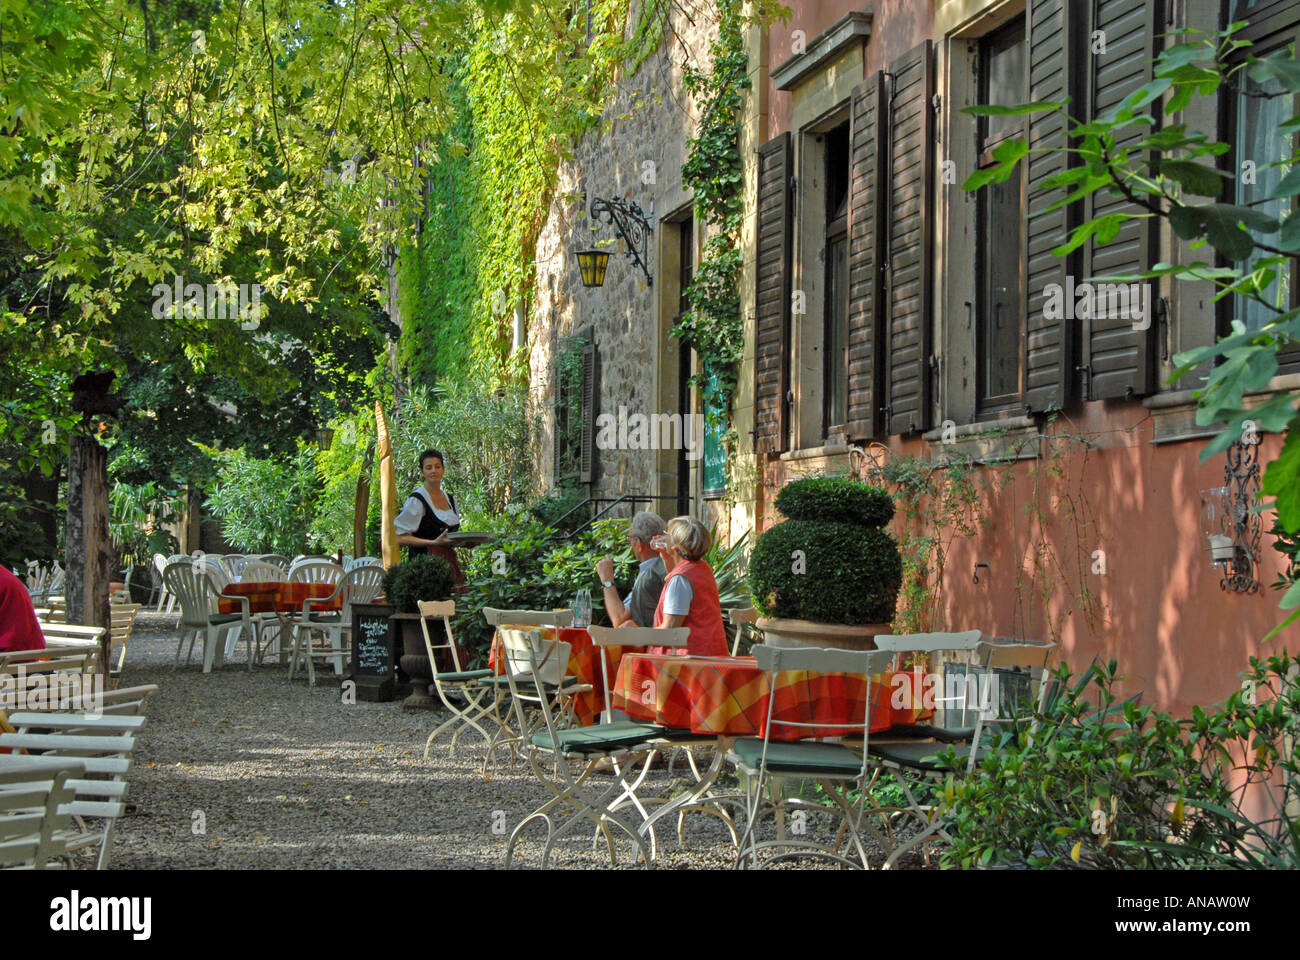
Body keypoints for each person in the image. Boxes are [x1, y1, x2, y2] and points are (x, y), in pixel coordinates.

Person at [649, 516, 728, 658]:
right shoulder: (702, 568)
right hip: (713, 656)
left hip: (691, 663)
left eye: (667, 534)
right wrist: (668, 559)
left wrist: (635, 634)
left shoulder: (680, 579)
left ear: (674, 546)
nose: (664, 536)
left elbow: (670, 631)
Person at [394, 448, 465, 587]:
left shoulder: (451, 500)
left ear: (443, 470)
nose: (434, 471)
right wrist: (432, 543)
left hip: (448, 564)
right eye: (429, 467)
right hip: (423, 568)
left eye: (437, 466)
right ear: (422, 472)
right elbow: (399, 538)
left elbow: (449, 537)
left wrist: (466, 543)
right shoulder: (417, 500)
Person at [595, 512, 667, 629]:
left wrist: (607, 580)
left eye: (630, 540)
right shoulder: (664, 567)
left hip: (649, 644)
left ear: (638, 544)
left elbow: (619, 619)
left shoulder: (651, 575)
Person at [0, 565, 46, 654]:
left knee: (21, 668)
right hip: (25, 657)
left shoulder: (4, 580)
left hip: (18, 663)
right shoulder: (4, 577)